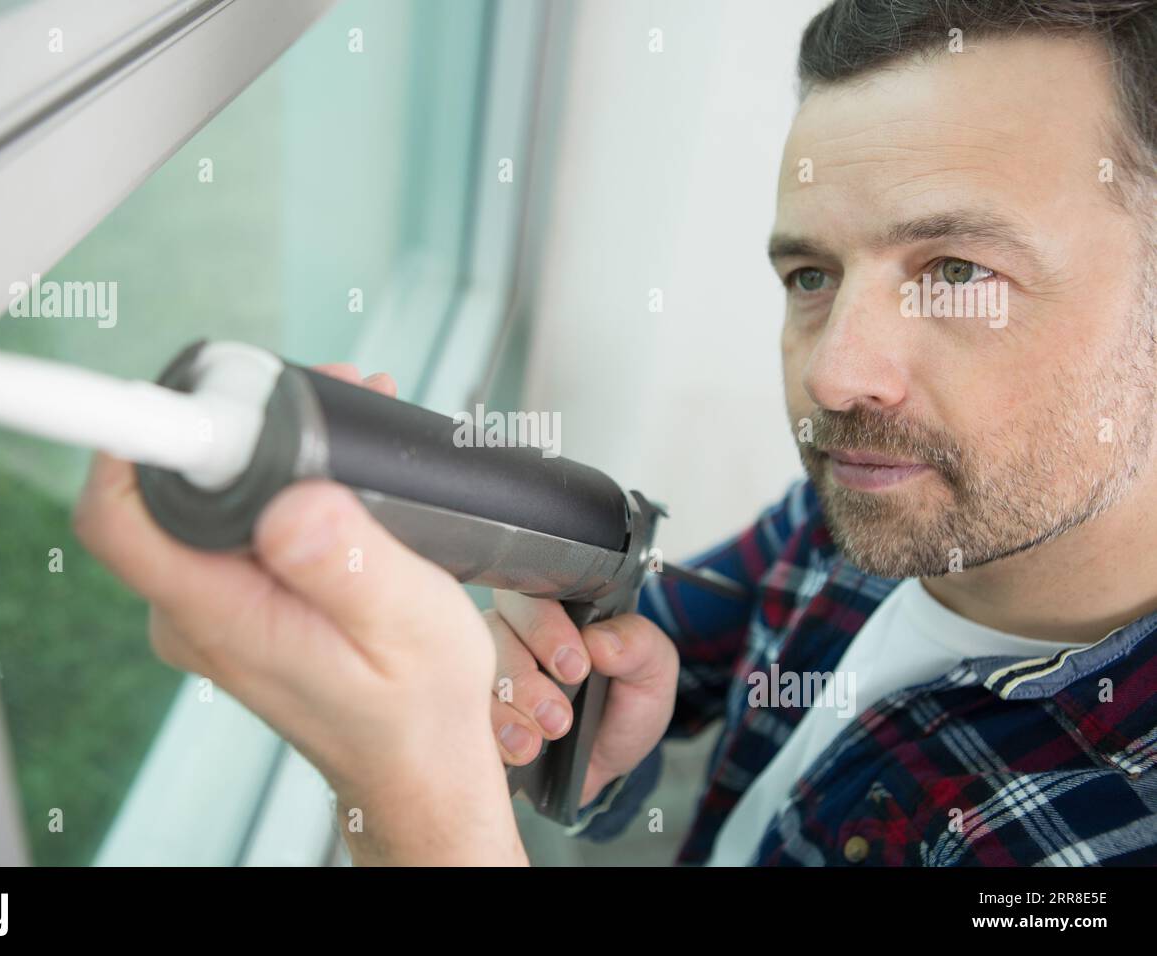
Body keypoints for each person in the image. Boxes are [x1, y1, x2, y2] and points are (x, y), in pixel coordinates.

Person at [74, 0, 1157, 865]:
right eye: (811, 275)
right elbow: (662, 653)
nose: (836, 372)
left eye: (958, 272)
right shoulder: (870, 508)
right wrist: (577, 734)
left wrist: (409, 798)